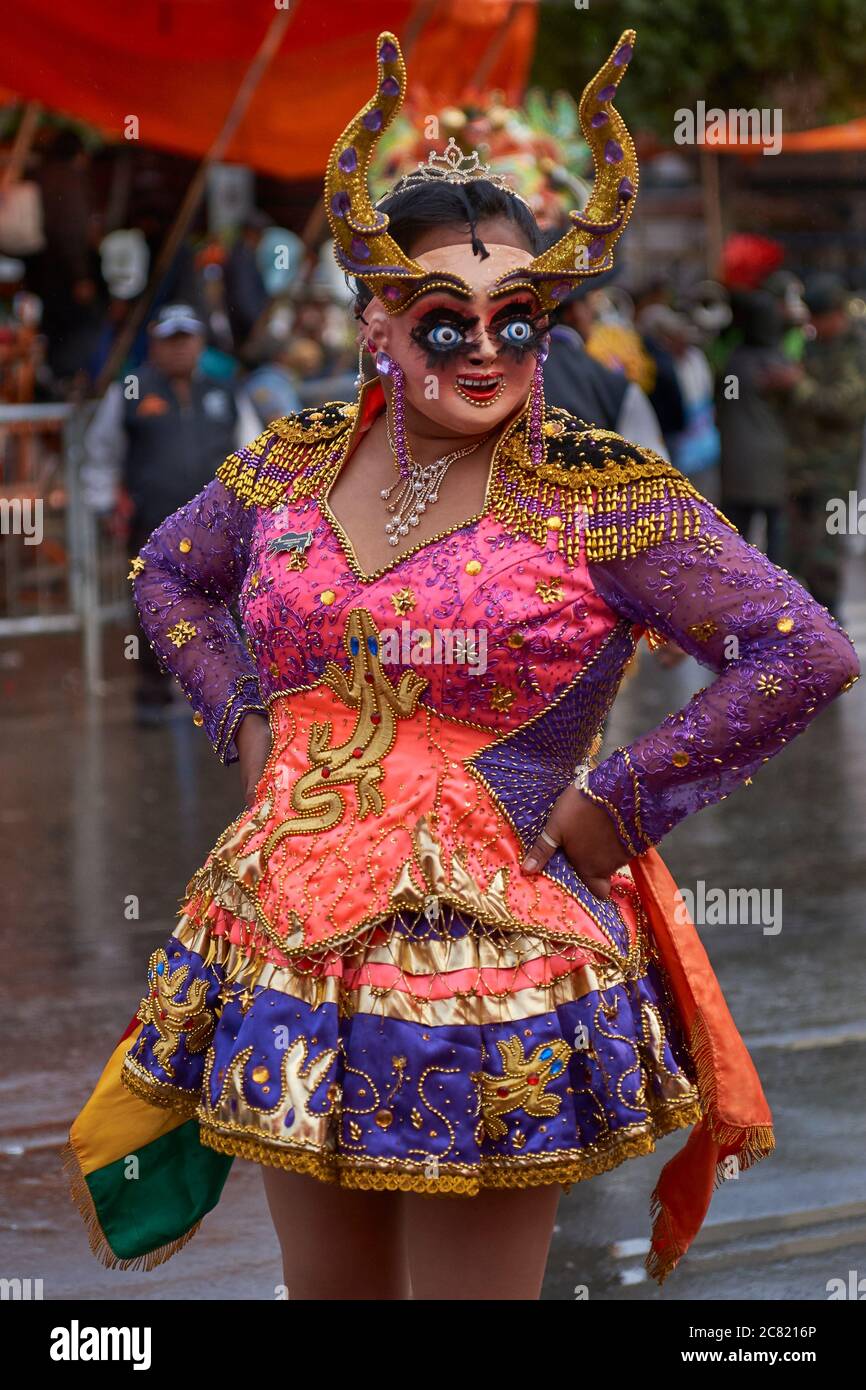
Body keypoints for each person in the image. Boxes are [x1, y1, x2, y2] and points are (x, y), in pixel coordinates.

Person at [64, 30, 859, 1300]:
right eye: (444, 324)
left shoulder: (601, 493)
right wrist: (246, 721)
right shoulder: (294, 459)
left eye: (517, 319)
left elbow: (799, 649)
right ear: (376, 319)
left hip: (488, 971)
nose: (482, 351)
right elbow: (169, 574)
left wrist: (614, 805)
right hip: (283, 943)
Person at [81, 303, 262, 720]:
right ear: (156, 344)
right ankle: (152, 694)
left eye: (187, 339)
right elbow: (101, 452)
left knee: (231, 607)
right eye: (170, 340)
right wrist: (104, 503)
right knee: (152, 607)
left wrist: (255, 509)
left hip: (221, 527)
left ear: (200, 343)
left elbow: (252, 452)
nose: (180, 349)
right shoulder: (128, 390)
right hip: (152, 525)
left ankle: (235, 697)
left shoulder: (225, 390)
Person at [787, 272, 866, 619]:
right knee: (796, 554)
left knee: (826, 557)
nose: (815, 325)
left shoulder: (856, 352)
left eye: (820, 317)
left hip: (835, 470)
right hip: (799, 468)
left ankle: (832, 631)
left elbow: (845, 405)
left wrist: (798, 385)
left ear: (837, 313)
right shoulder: (807, 345)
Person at [716, 289, 803, 565]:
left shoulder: (732, 363)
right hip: (773, 458)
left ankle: (736, 586)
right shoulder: (781, 364)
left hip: (736, 458)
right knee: (776, 534)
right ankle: (777, 592)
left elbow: (725, 403)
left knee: (735, 535)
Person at [543, 280, 669, 456]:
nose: (594, 312)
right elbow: (655, 466)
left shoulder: (513, 374)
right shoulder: (614, 384)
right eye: (588, 303)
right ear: (575, 311)